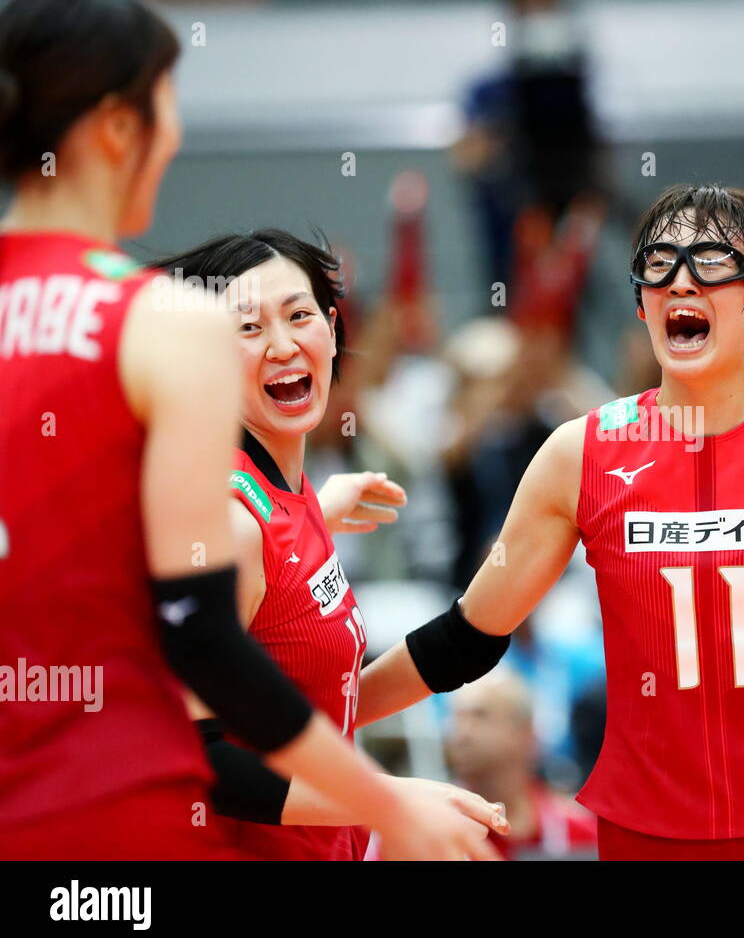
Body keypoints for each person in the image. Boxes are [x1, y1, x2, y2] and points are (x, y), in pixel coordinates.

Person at [356, 182, 744, 860]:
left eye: (710, 262)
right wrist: (316, 718)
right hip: (646, 833)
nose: (680, 281)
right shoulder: (580, 451)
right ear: (643, 304)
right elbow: (468, 637)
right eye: (659, 264)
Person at [0, 0, 485, 860]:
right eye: (170, 100)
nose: (178, 134)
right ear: (119, 125)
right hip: (120, 816)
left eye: (300, 315)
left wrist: (310, 513)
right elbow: (198, 629)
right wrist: (384, 803)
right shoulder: (155, 319)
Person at [159, 230, 506, 858]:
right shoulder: (231, 523)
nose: (284, 345)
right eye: (247, 328)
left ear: (334, 328)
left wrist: (477, 632)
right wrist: (389, 801)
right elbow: (200, 761)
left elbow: (317, 701)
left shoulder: (286, 496)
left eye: (299, 315)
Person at [445, 669, 598, 859]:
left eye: (480, 716)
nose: (461, 733)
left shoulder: (581, 836)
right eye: (457, 718)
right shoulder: (432, 831)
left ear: (526, 733)